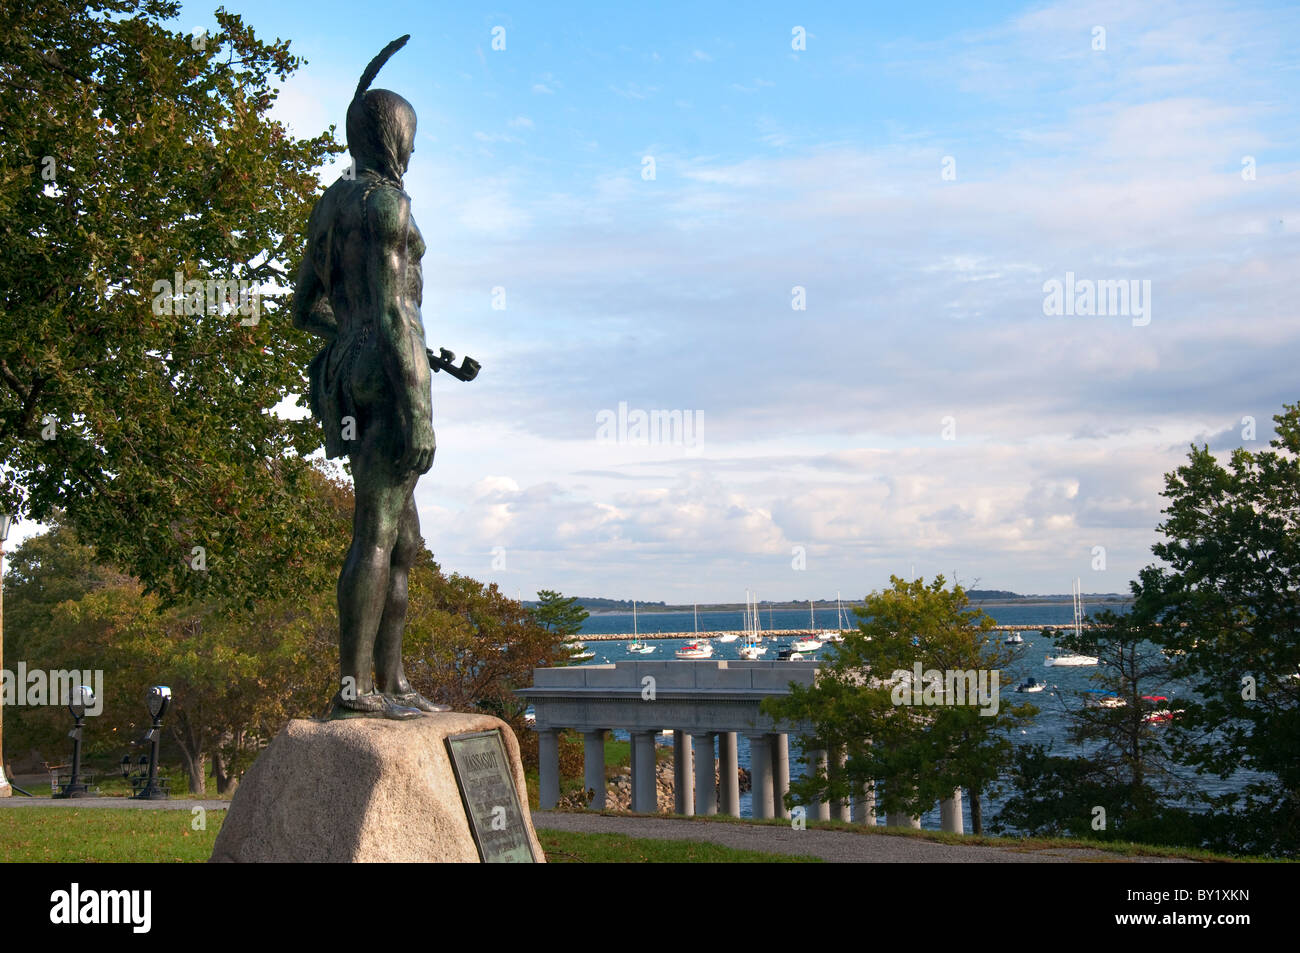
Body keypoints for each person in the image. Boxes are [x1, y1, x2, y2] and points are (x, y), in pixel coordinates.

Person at [292, 36, 445, 718]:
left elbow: (307, 308)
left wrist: (356, 343)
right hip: (388, 379)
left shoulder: (331, 207)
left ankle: (393, 680)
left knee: (401, 541)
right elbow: (393, 310)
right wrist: (417, 404)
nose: (411, 153)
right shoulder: (390, 207)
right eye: (409, 138)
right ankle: (356, 688)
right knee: (377, 535)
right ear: (395, 137)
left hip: (352, 377)